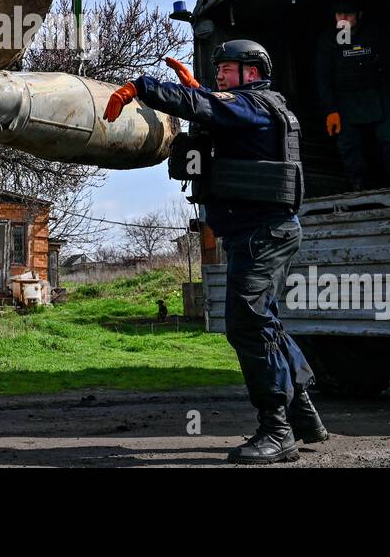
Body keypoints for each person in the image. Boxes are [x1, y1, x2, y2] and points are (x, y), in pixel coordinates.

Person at [104, 41, 327, 464]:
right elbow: (210, 110)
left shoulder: (255, 105)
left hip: (262, 234)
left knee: (247, 325)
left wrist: (141, 87)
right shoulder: (253, 107)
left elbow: (209, 107)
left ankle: (276, 432)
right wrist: (201, 94)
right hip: (260, 232)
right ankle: (302, 414)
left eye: (227, 68)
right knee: (266, 321)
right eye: (218, 69)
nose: (220, 75)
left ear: (251, 71)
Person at [315, 0, 390, 190]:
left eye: (348, 14)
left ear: (359, 14)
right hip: (345, 100)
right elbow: (323, 78)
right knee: (348, 147)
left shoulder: (375, 33)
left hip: (378, 94)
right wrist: (330, 110)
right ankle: (358, 188)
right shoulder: (328, 40)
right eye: (338, 15)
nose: (343, 19)